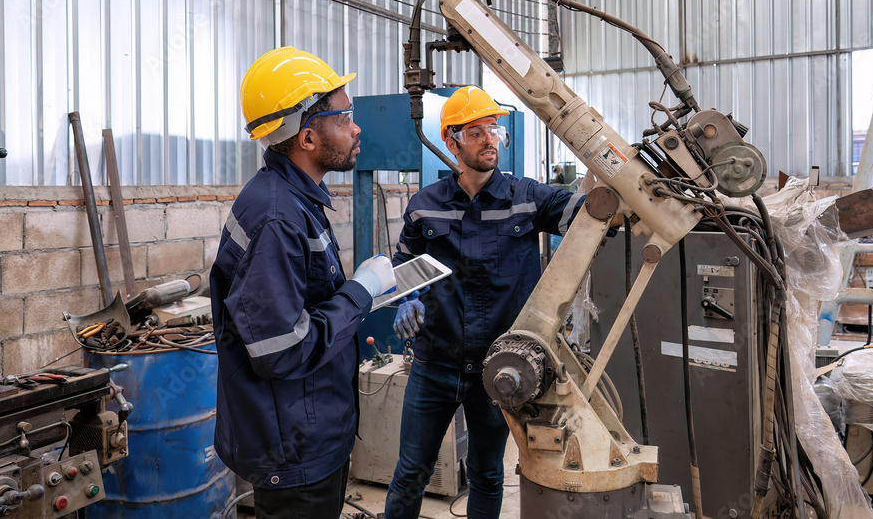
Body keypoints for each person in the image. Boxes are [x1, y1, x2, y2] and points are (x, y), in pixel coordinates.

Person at [383, 85, 595, 519]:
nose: (489, 139)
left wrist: (609, 170)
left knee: (487, 474)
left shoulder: (528, 198)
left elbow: (592, 211)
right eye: (475, 131)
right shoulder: (425, 206)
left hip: (496, 371)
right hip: (434, 364)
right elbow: (404, 266)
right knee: (409, 474)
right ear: (451, 140)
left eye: (493, 129)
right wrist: (404, 300)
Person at [210, 47, 395, 519]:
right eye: (345, 116)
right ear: (308, 137)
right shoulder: (277, 216)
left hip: (310, 428)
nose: (356, 128)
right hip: (294, 445)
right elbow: (282, 348)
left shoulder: (295, 199)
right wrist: (360, 291)